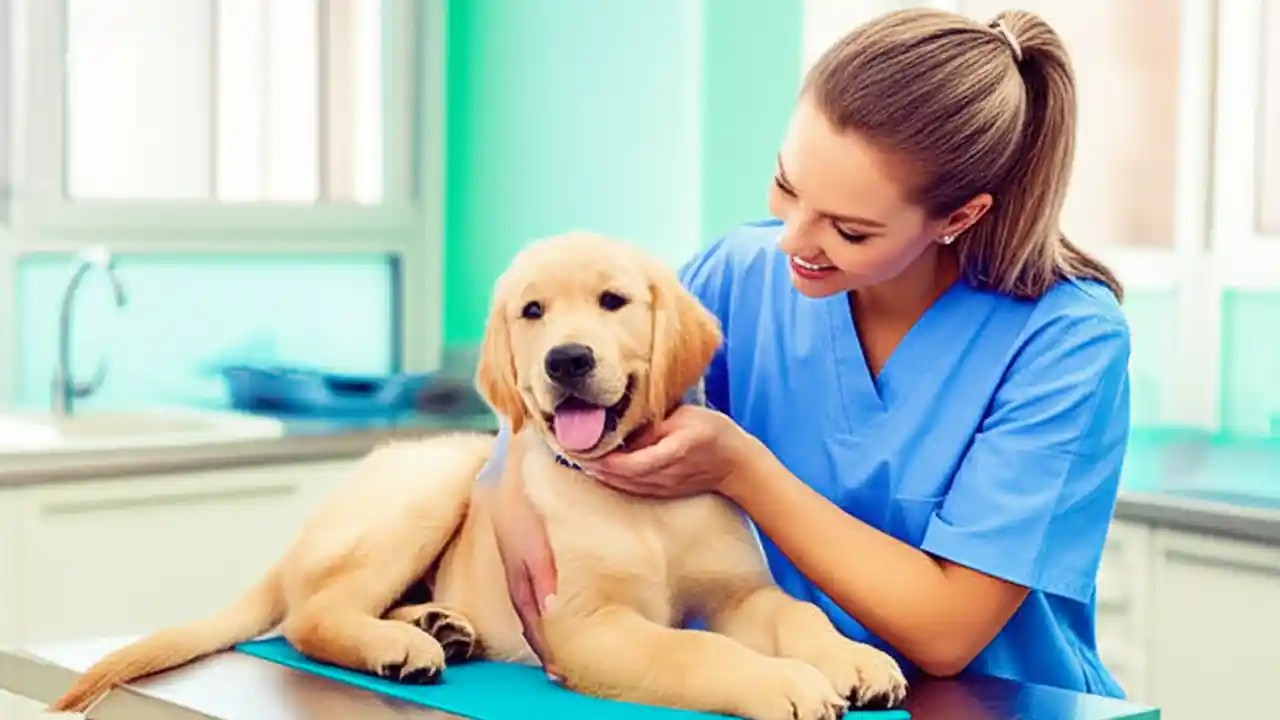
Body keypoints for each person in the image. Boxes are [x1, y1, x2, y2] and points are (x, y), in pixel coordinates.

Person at [483, 6, 1131, 700]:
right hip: (785, 693)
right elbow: (578, 379)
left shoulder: (1064, 341)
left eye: (849, 229)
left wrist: (743, 469)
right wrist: (509, 494)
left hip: (991, 703)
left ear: (959, 216)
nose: (791, 240)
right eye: (788, 185)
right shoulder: (739, 273)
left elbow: (948, 632)